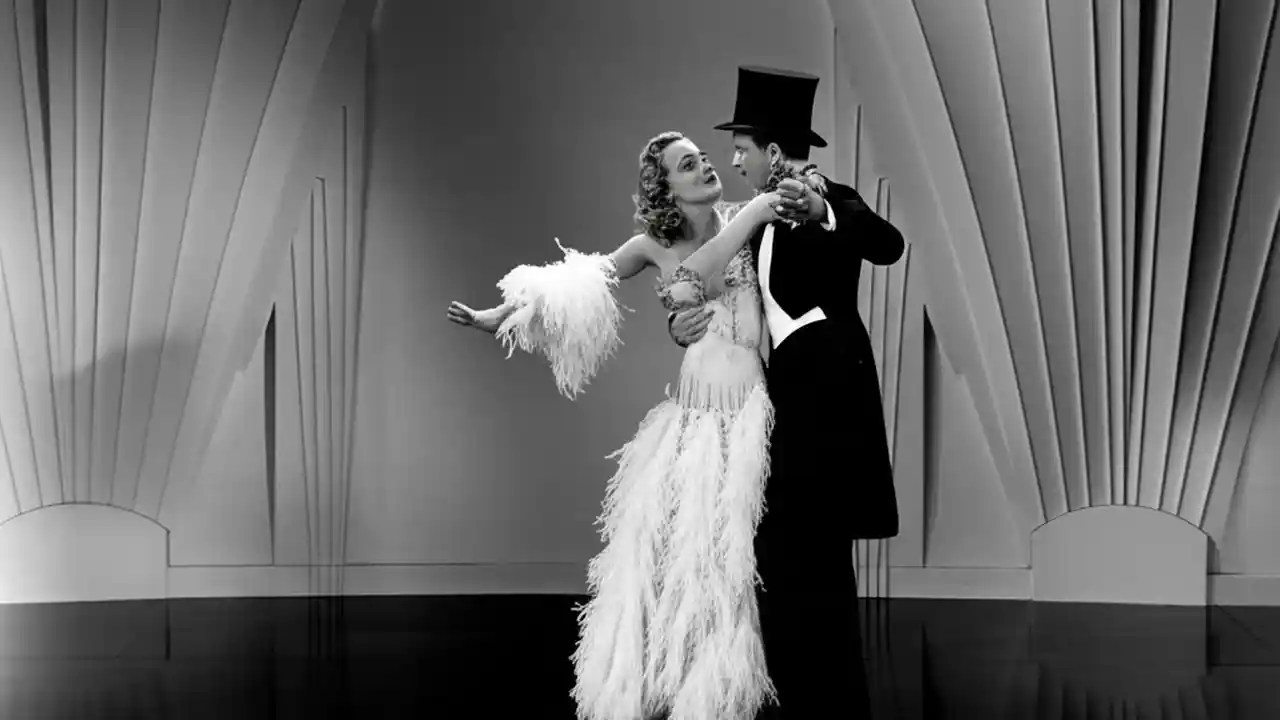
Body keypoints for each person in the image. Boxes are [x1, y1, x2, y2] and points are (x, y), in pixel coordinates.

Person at [445, 130, 818, 720]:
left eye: (702, 159)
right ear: (666, 187)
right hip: (695, 421)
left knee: (741, 565)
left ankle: (736, 693)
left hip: (754, 417)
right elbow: (581, 283)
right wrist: (503, 315)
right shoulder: (652, 245)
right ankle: (677, 690)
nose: (704, 169)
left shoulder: (747, 224)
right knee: (682, 561)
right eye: (687, 165)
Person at [669, 66, 905, 719]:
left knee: (820, 560)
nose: (734, 157)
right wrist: (682, 323)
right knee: (774, 555)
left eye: (743, 146)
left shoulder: (830, 195)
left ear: (775, 152)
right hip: (777, 406)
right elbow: (714, 291)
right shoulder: (749, 219)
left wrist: (824, 209)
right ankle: (781, 691)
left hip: (828, 401)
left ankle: (831, 700)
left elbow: (888, 243)